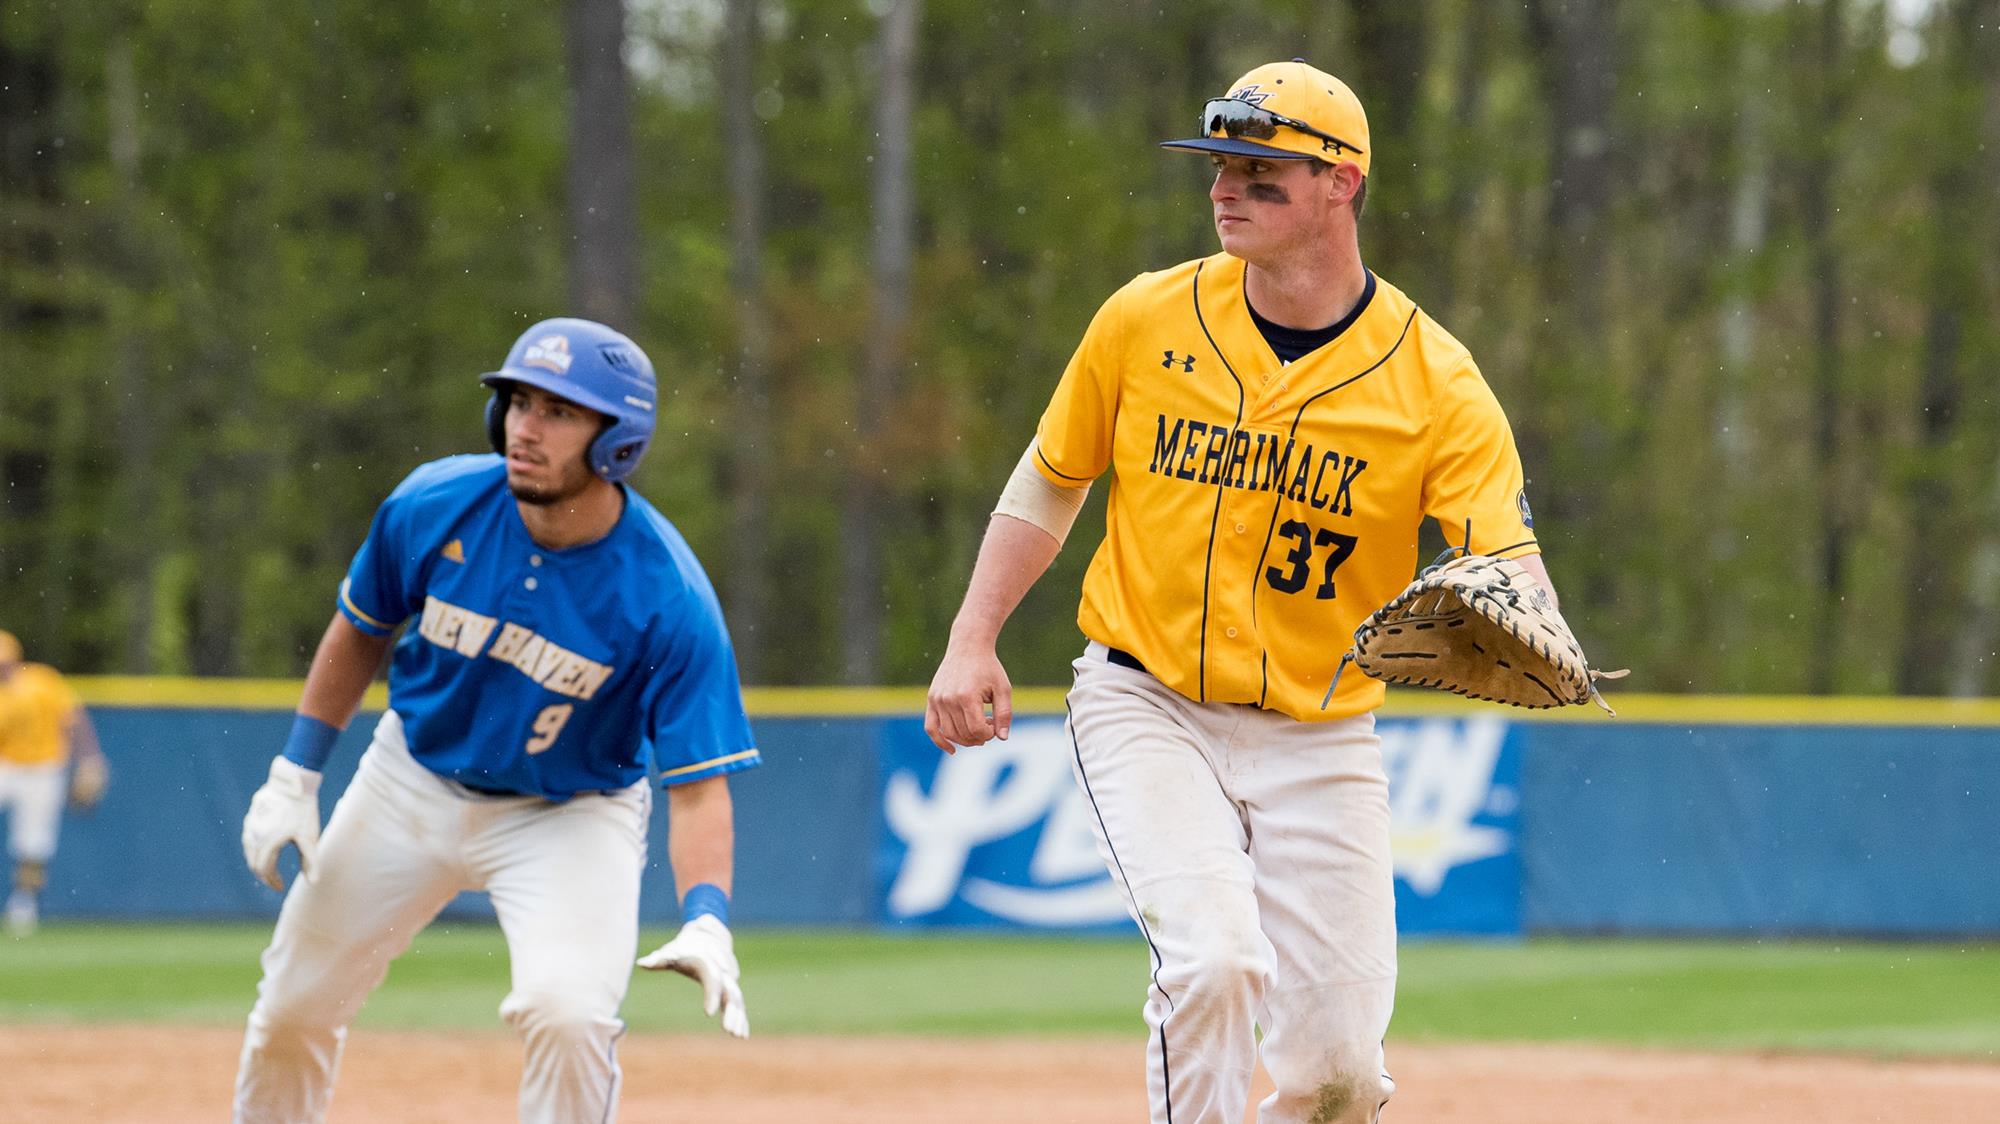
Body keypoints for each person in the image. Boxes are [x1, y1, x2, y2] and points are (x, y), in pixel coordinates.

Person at [924, 60, 1559, 1124]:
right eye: (1219, 166)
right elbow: (1051, 477)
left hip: (1322, 732)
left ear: (1340, 183)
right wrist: (970, 636)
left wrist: (1534, 618)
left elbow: (1506, 557)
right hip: (1147, 698)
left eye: (1262, 173)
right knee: (1214, 963)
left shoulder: (1434, 380)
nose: (1227, 188)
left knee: (1340, 1078)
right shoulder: (1145, 317)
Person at [233, 318, 761, 1124]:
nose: (526, 427)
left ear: (618, 441)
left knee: (570, 1015)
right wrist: (295, 775)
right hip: (409, 781)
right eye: (518, 402)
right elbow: (361, 628)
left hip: (569, 813)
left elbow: (697, 786)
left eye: (559, 411)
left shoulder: (668, 595)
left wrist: (708, 918)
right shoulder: (434, 503)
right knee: (292, 1008)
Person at [0, 629, 109, 936]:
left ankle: (24, 903)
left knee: (33, 843)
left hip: (44, 768)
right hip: (7, 765)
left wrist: (90, 759)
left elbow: (74, 719)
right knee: (32, 840)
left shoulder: (42, 681)